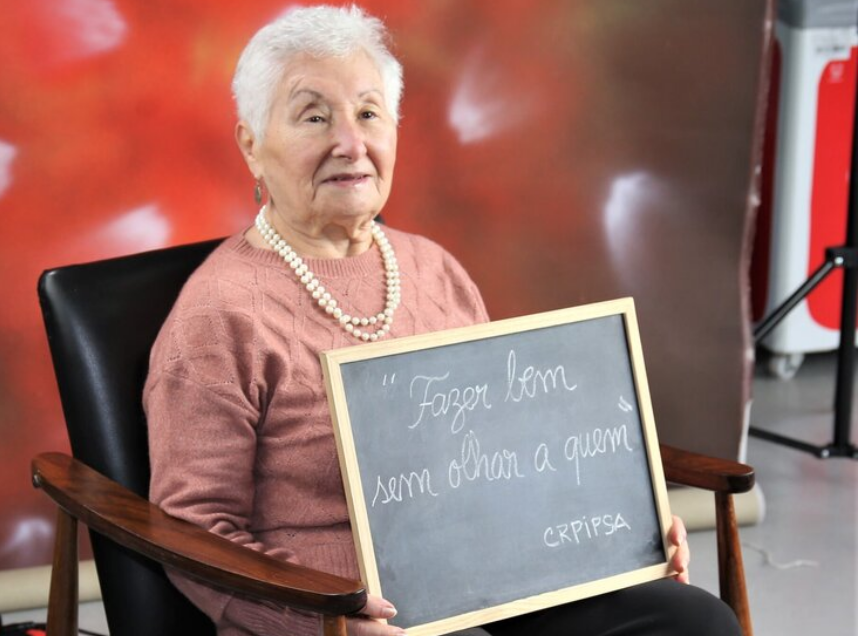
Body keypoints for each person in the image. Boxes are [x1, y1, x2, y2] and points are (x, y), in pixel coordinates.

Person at [145, 5, 742, 636]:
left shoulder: (433, 270)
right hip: (337, 611)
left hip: (494, 579)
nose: (351, 143)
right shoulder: (218, 316)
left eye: (369, 113)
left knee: (694, 622)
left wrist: (622, 525)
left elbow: (506, 456)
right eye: (314, 116)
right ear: (252, 146)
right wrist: (323, 620)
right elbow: (194, 531)